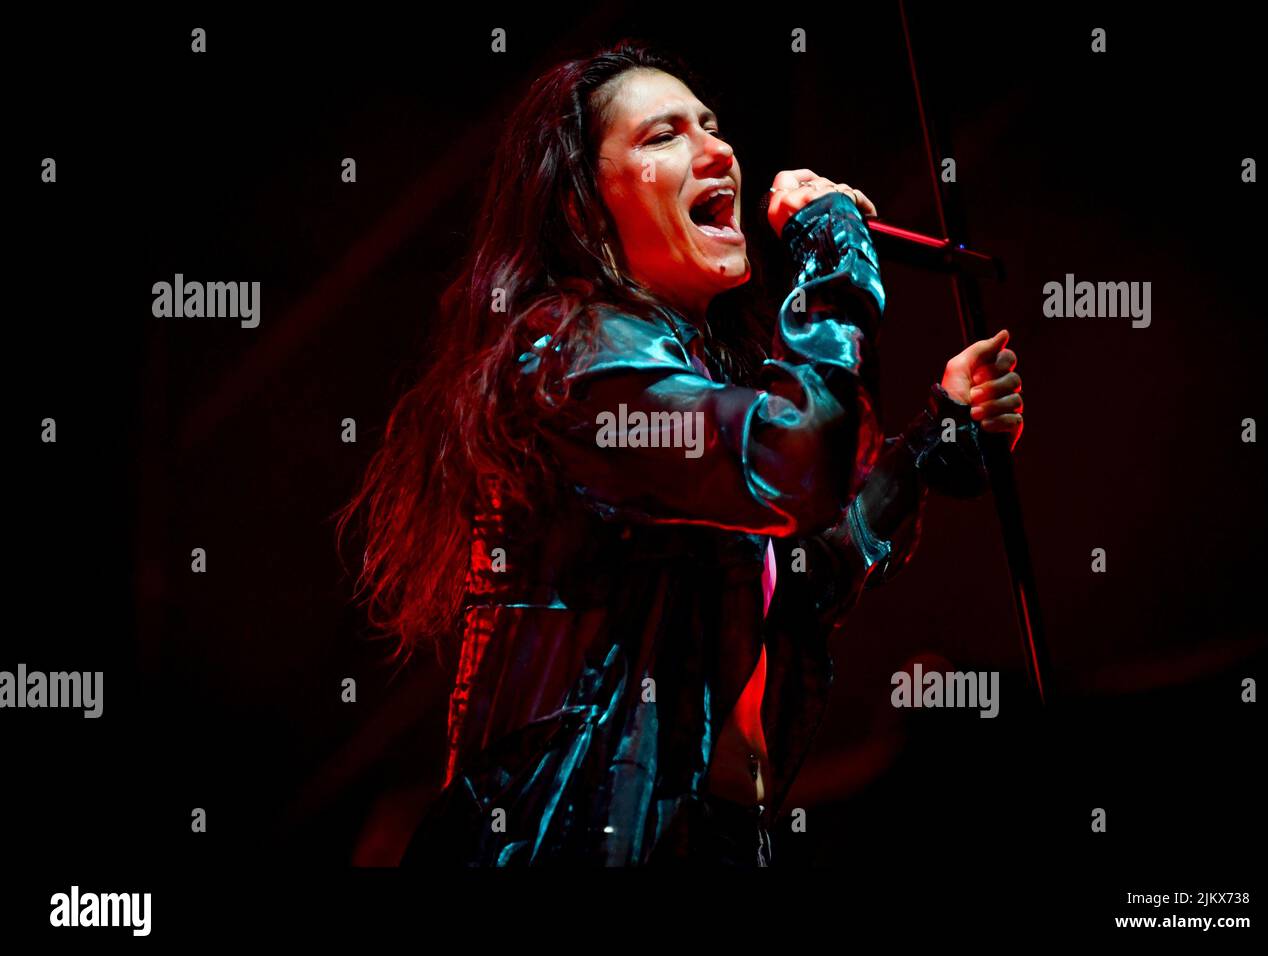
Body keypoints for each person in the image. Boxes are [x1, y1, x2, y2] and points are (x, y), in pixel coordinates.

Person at [335, 40, 1025, 867]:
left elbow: (805, 578)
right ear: (584, 209)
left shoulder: (690, 380)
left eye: (711, 125)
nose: (718, 149)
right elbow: (799, 461)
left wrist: (934, 442)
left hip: (702, 837)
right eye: (661, 137)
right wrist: (833, 251)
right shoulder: (568, 357)